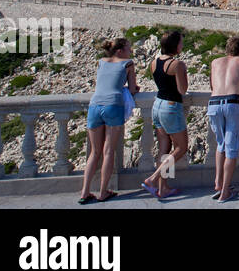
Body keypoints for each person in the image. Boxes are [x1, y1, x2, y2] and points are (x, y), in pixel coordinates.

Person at [79, 37, 138, 204]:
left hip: (95, 105)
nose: (130, 51)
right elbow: (132, 90)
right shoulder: (128, 64)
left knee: (94, 152)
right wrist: (130, 88)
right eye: (128, 48)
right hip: (113, 105)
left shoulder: (101, 61)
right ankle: (103, 191)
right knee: (108, 151)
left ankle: (84, 191)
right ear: (120, 51)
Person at [141, 30, 189, 199]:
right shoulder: (177, 64)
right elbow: (182, 90)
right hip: (171, 106)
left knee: (164, 149)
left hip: (157, 105)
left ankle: (164, 188)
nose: (182, 45)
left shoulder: (154, 62)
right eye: (181, 43)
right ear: (175, 46)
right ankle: (153, 179)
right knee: (181, 148)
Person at [207, 35, 239, 203]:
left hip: (214, 102)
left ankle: (218, 182)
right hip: (232, 102)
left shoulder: (215, 62)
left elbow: (212, 86)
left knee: (221, 145)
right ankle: (225, 191)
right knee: (231, 148)